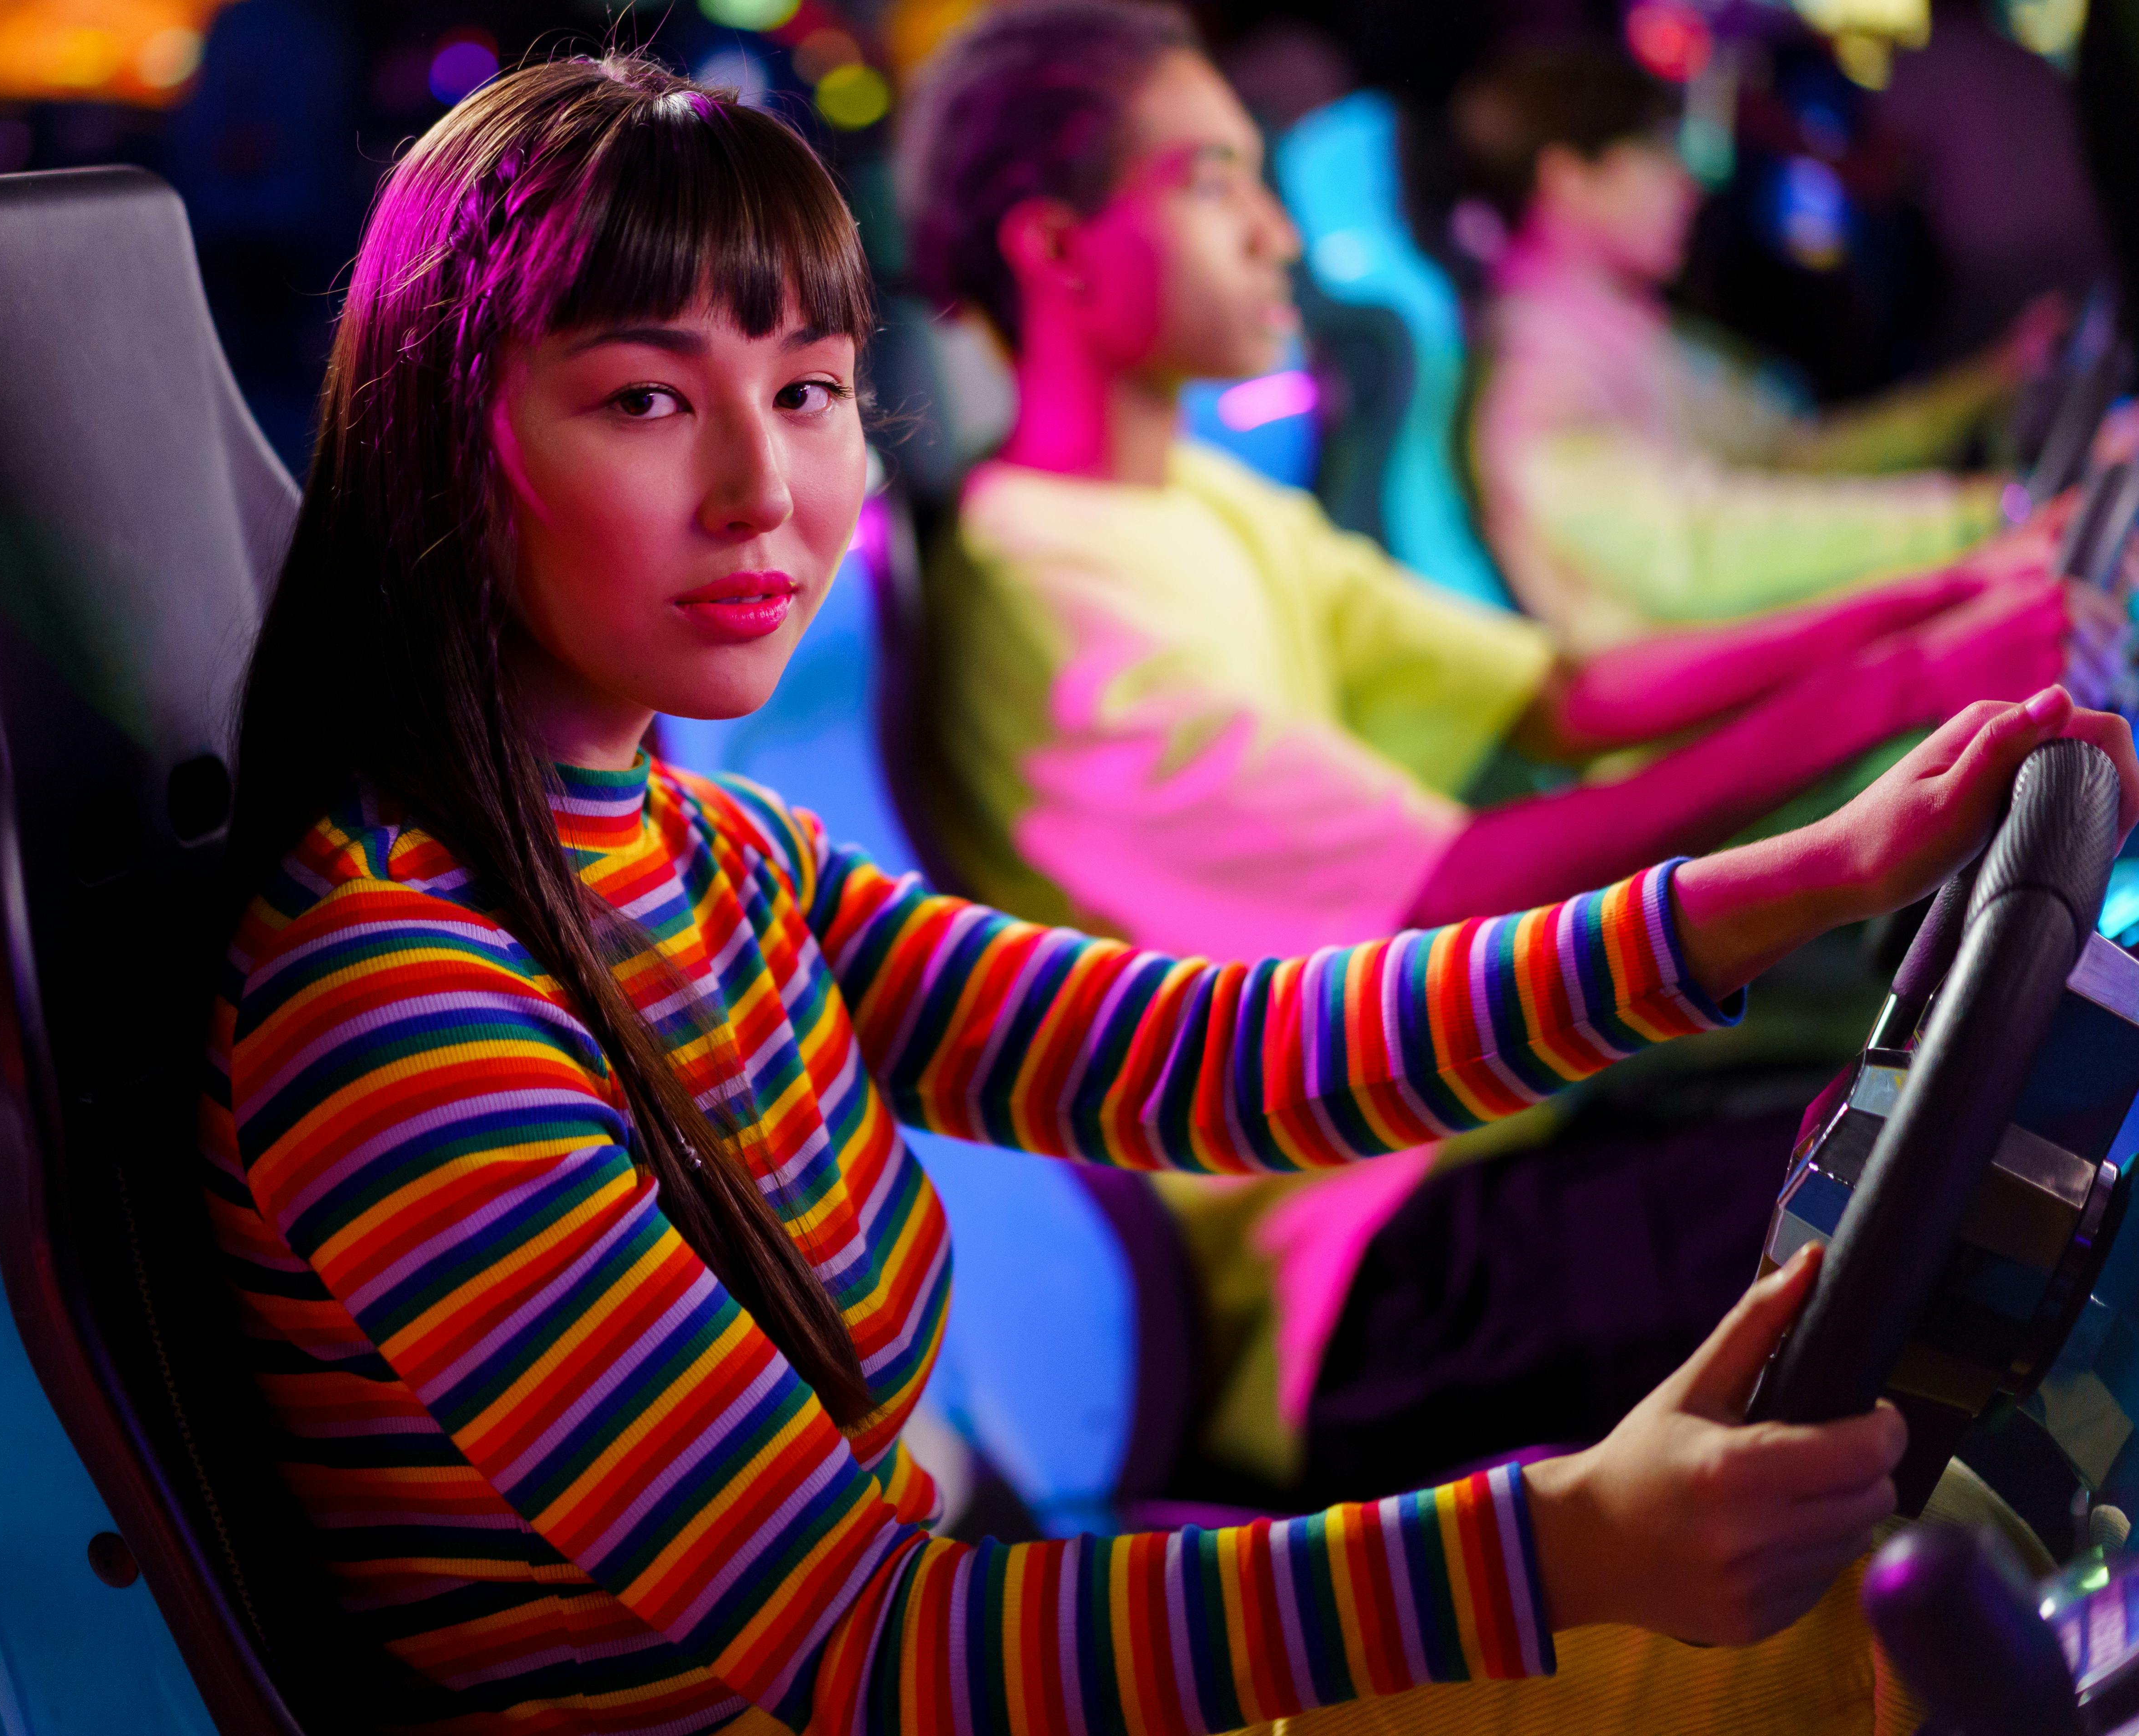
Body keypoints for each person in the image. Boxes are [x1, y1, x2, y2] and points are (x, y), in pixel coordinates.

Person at [213, 49, 2139, 1732]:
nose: (762, 488)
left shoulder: (703, 850)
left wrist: (1785, 884)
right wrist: (1570, 1540)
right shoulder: (398, 1000)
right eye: (644, 399)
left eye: (807, 391)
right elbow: (860, 1637)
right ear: (446, 438)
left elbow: (1210, 1051)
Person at [894, 0, 2076, 1506]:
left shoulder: (1196, 498)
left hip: (1489, 1119)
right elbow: (1447, 881)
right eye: (1211, 183)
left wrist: (1931, 607)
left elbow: (1566, 695)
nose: (1277, 237)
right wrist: (1891, 704)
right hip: (1360, 1273)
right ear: (1055, 250)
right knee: (1982, 1210)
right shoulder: (1043, 596)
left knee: (1989, 1137)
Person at [1460, 42, 2075, 657]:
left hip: (1776, 672)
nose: (1689, 183)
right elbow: (1694, 554)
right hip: (1728, 718)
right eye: (1658, 153)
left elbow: (1796, 454)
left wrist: (1990, 386)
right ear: (1569, 178)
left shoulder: (1617, 327)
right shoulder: (1535, 374)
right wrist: (1977, 517)